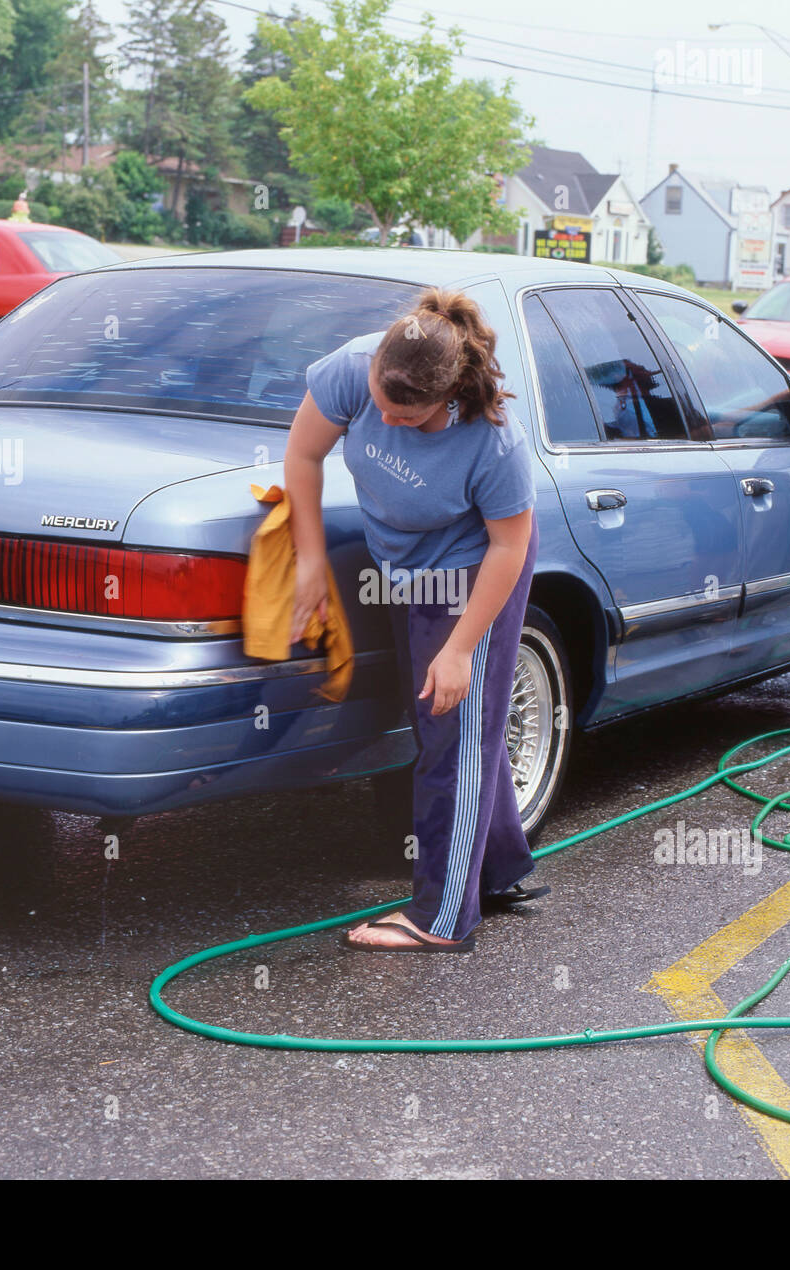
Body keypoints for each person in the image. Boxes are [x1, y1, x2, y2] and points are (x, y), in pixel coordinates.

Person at [284, 287, 541, 952]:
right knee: (456, 730)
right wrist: (310, 562)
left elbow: (509, 546)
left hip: (475, 572)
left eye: (409, 417)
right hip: (407, 570)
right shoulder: (353, 369)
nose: (387, 422)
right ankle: (499, 867)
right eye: (380, 406)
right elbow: (303, 455)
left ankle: (442, 917)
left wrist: (460, 648)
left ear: (448, 393)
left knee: (450, 739)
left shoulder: (492, 442)